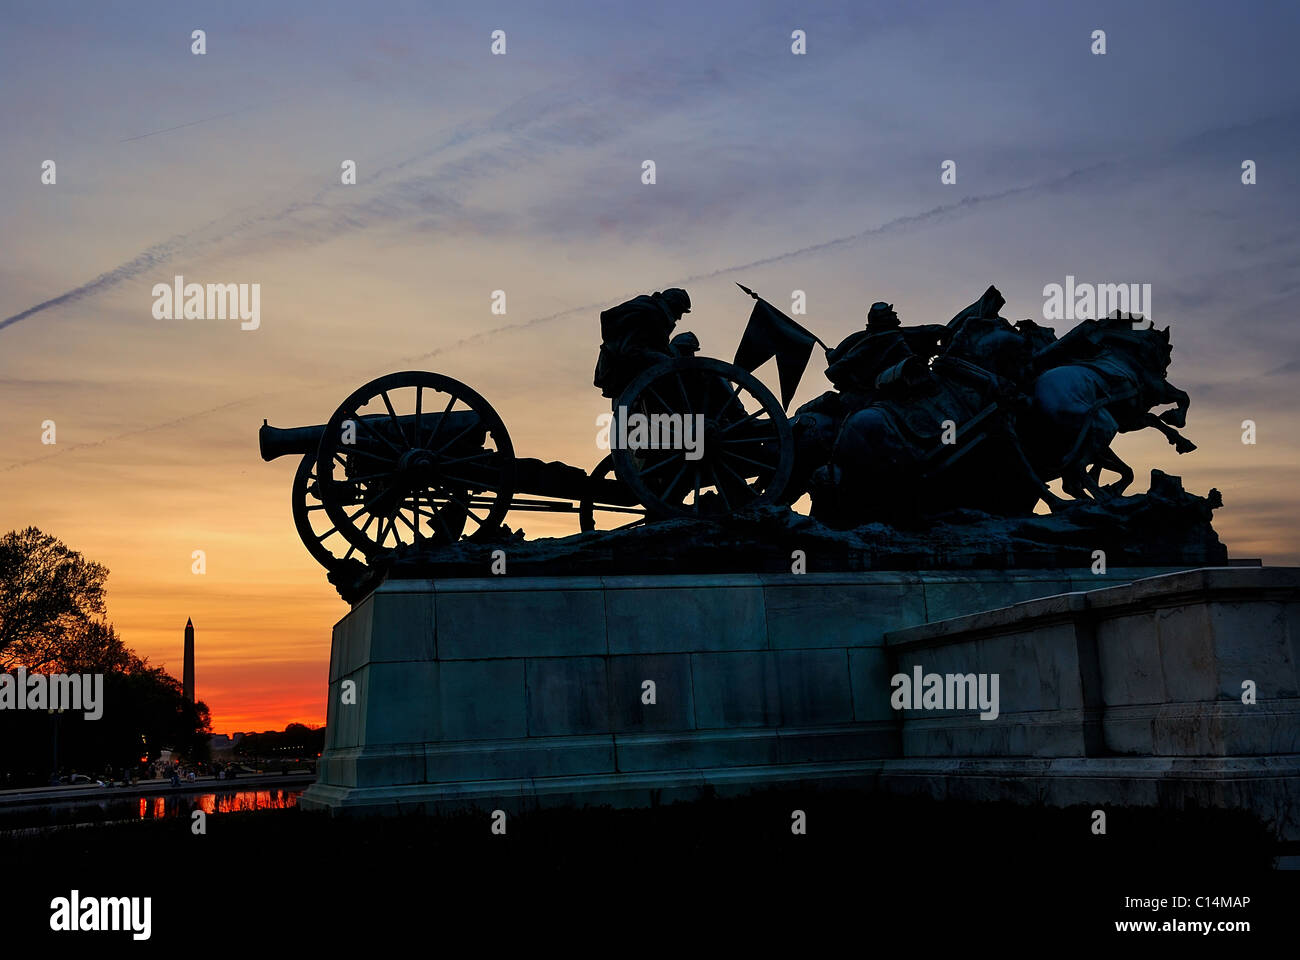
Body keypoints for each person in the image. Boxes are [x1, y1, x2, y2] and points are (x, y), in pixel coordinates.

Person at [593, 288, 696, 400]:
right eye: (679, 311)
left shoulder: (650, 309)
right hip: (623, 363)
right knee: (671, 365)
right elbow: (640, 349)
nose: (679, 317)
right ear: (673, 304)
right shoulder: (653, 312)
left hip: (614, 364)